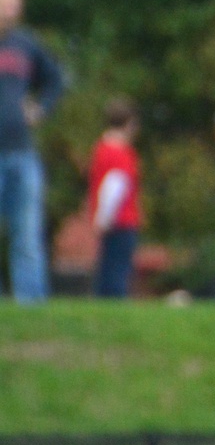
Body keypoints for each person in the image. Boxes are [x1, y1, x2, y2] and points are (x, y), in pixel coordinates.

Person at [0, 0, 64, 303]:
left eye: (17, 1)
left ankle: (31, 305)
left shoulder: (26, 44)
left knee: (26, 233)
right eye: (8, 0)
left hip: (21, 151)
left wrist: (41, 109)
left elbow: (56, 79)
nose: (14, 7)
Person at [87, 97, 142, 298]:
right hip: (122, 222)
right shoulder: (122, 153)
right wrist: (104, 218)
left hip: (110, 222)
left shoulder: (100, 149)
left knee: (106, 271)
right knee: (117, 274)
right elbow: (114, 187)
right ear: (129, 124)